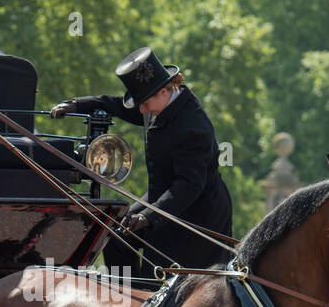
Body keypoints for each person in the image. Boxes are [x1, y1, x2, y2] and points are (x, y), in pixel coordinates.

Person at [49, 47, 232, 276]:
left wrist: (147, 217)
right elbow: (116, 105)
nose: (141, 110)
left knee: (158, 277)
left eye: (144, 103)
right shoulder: (156, 104)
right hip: (161, 199)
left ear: (164, 91)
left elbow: (188, 186)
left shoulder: (193, 128)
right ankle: (124, 299)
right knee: (116, 238)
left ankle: (142, 300)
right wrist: (77, 104)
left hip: (195, 215)